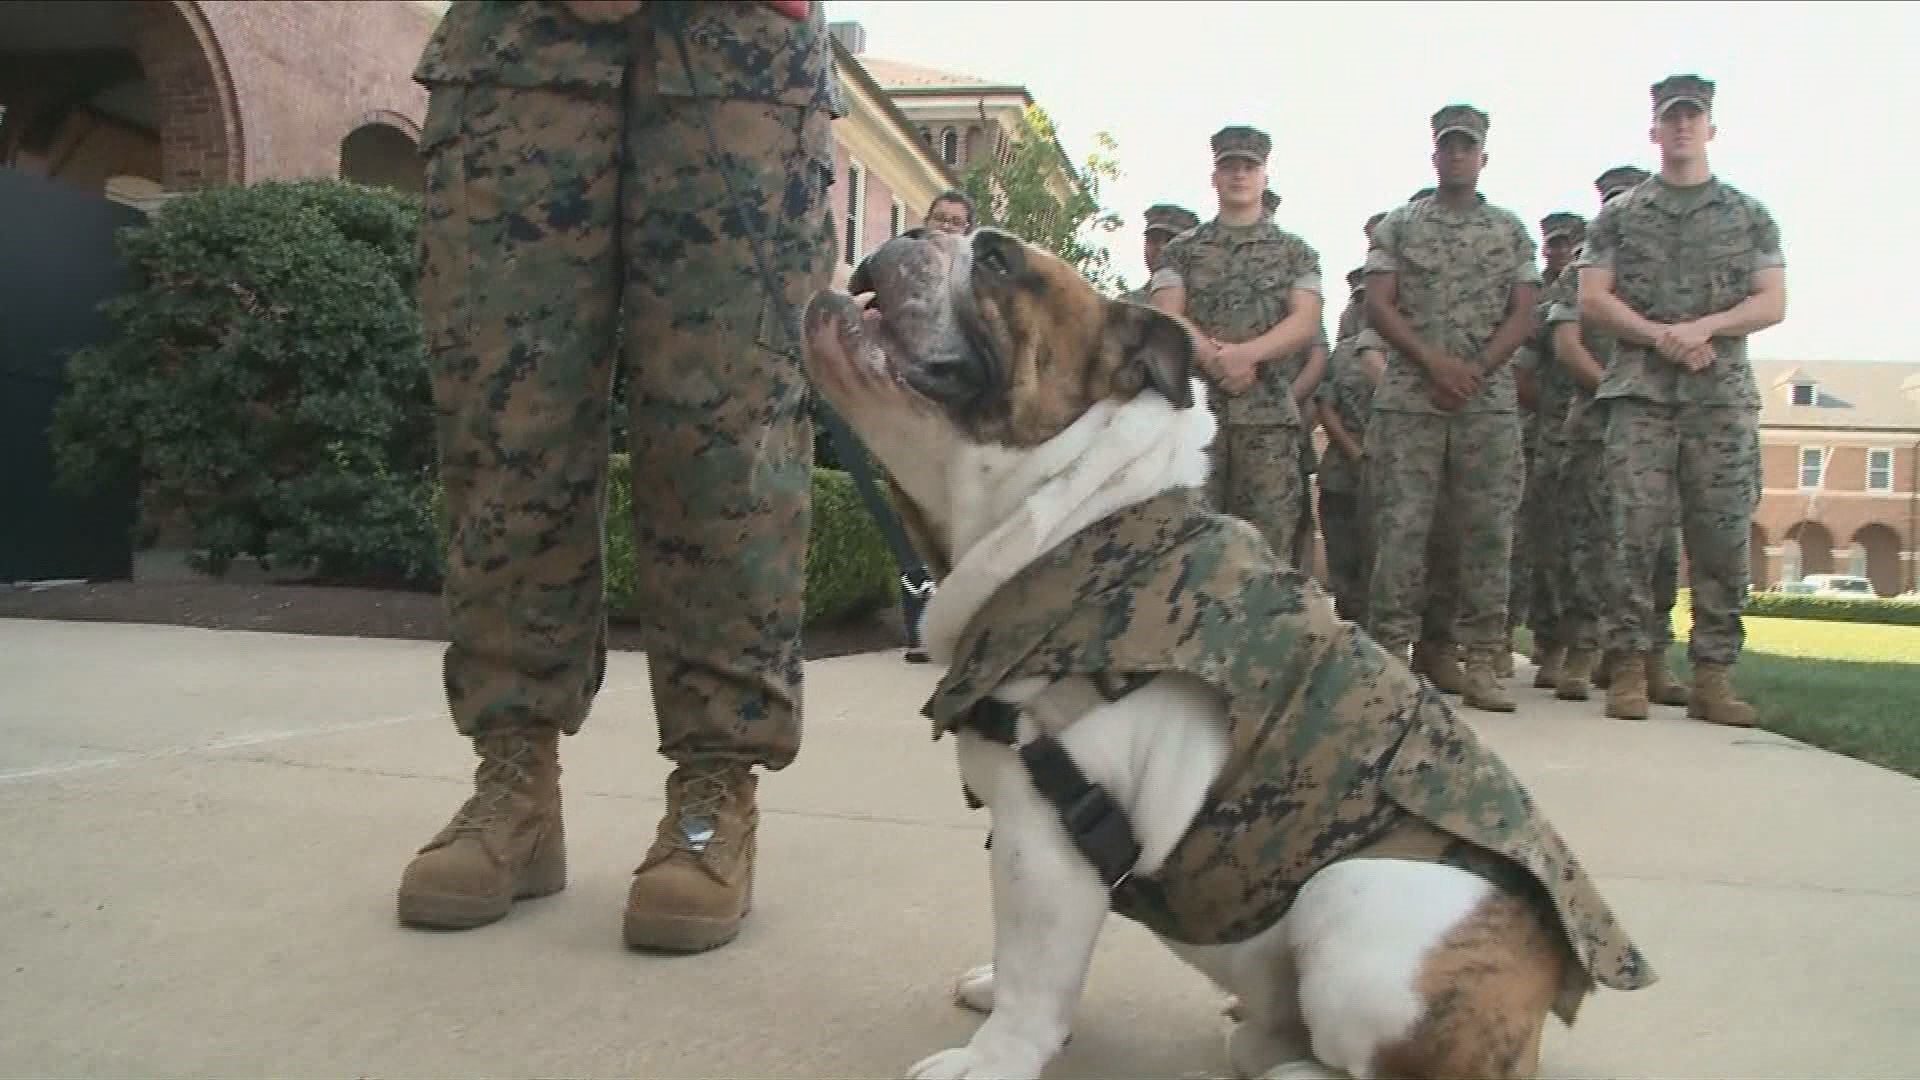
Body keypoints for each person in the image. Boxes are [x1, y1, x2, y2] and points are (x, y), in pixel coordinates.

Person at [396, 0, 842, 953]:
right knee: (506, 424)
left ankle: (713, 795)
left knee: (729, 440)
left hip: (737, 62)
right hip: (518, 50)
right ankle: (515, 782)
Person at [1577, 74, 1787, 726]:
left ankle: (1714, 676)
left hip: (1718, 397)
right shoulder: (1620, 214)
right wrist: (1660, 338)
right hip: (1640, 395)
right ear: (1654, 130)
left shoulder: (1747, 214)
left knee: (1721, 534)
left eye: (1693, 117)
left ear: (1711, 129)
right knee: (1632, 533)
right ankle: (1632, 667)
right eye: (1672, 118)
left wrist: (1703, 330)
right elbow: (1592, 297)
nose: (1683, 128)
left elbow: (1772, 301)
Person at [1364, 105, 1539, 712]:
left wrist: (1476, 368)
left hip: (1486, 405)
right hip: (1411, 402)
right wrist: (1432, 362)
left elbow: (1524, 310)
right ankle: (1390, 657)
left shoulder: (1510, 231)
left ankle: (1477, 655)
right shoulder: (1400, 226)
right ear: (1434, 155)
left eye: (1468, 147)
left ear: (1483, 157)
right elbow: (1379, 304)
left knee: (1484, 532)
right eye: (1448, 146)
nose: (1458, 156)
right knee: (1403, 530)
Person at [1151, 126, 1324, 564]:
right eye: (1230, 166)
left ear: (1265, 176)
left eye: (1250, 167)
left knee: (1266, 549)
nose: (1240, 175)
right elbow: (1168, 314)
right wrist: (1213, 358)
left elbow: (1305, 320)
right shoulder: (1182, 252)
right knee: (1189, 544)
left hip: (1267, 419)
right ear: (1215, 176)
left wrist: (1248, 355)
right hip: (1197, 418)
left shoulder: (1294, 253)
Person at [1511, 210, 1588, 688]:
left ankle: (1624, 652)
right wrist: (1556, 411)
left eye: (1569, 242)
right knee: (1550, 543)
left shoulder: (1615, 280)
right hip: (1552, 433)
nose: (1560, 251)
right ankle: (1553, 641)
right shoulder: (1541, 301)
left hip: (1620, 426)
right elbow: (1523, 372)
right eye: (1554, 243)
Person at [1122, 203, 1200, 304]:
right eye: (1154, 239)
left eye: (1171, 240)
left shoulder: (1210, 300)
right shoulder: (1129, 303)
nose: (1161, 247)